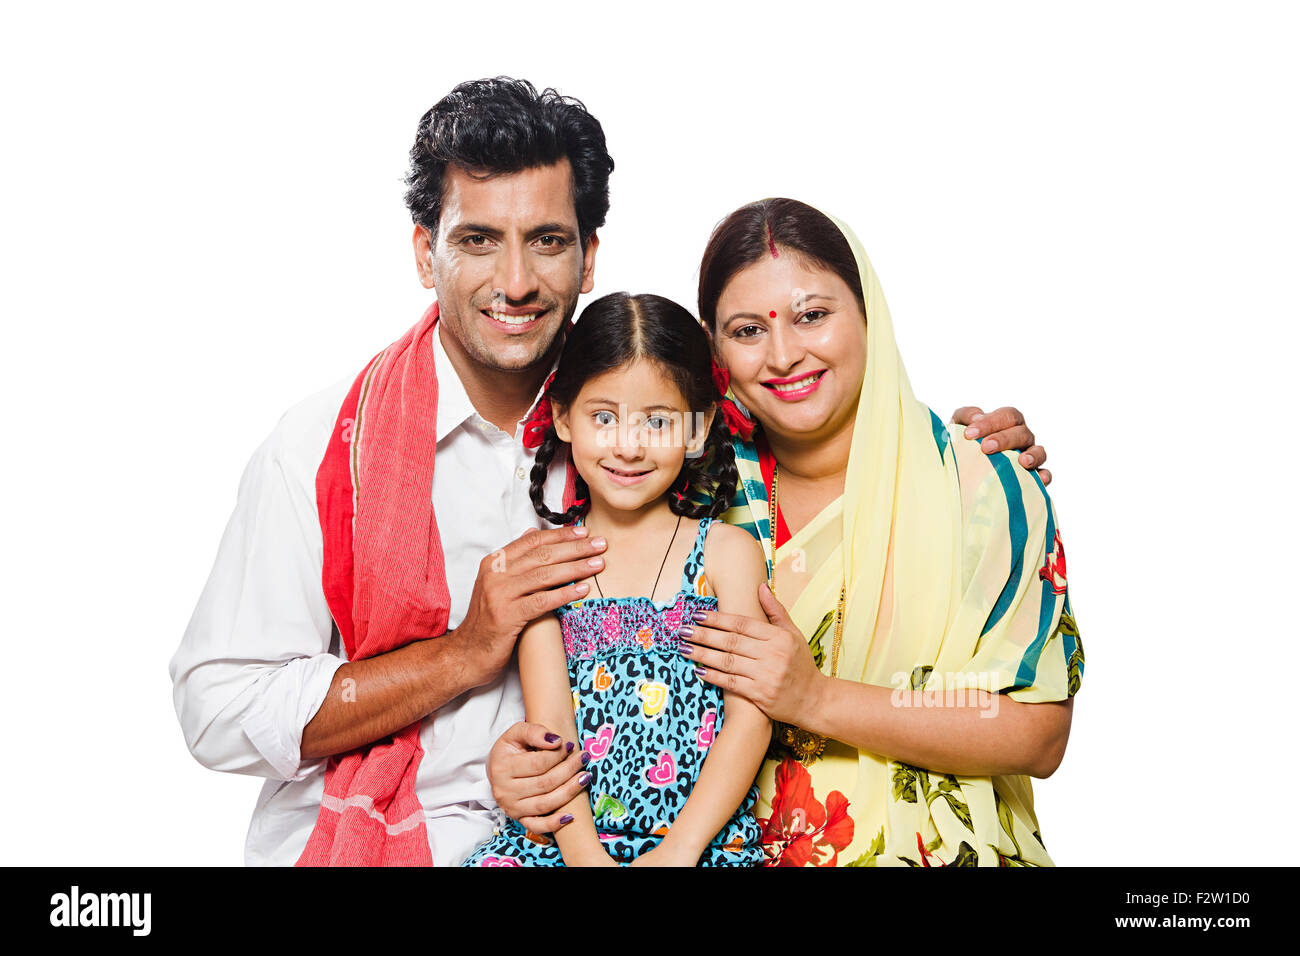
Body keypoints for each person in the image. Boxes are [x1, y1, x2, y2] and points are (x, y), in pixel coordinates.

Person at [170, 75, 1054, 866]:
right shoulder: (322, 448)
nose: (514, 280)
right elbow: (216, 708)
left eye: (548, 241)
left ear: (590, 256)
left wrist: (964, 451)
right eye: (477, 240)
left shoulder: (673, 435)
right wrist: (466, 654)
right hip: (428, 842)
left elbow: (819, 413)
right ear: (422, 252)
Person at [490, 198, 1082, 867]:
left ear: (869, 314)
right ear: (715, 355)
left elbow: (1037, 734)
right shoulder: (704, 488)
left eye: (813, 315)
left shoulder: (981, 487)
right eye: (746, 330)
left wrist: (815, 698)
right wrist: (521, 770)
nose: (784, 355)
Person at [462, 292, 770, 866]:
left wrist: (677, 853)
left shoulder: (728, 555)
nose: (628, 445)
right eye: (604, 417)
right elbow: (553, 733)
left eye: (657, 421)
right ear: (562, 417)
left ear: (697, 429)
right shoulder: (547, 568)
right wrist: (589, 861)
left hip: (700, 847)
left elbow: (749, 721)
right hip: (572, 846)